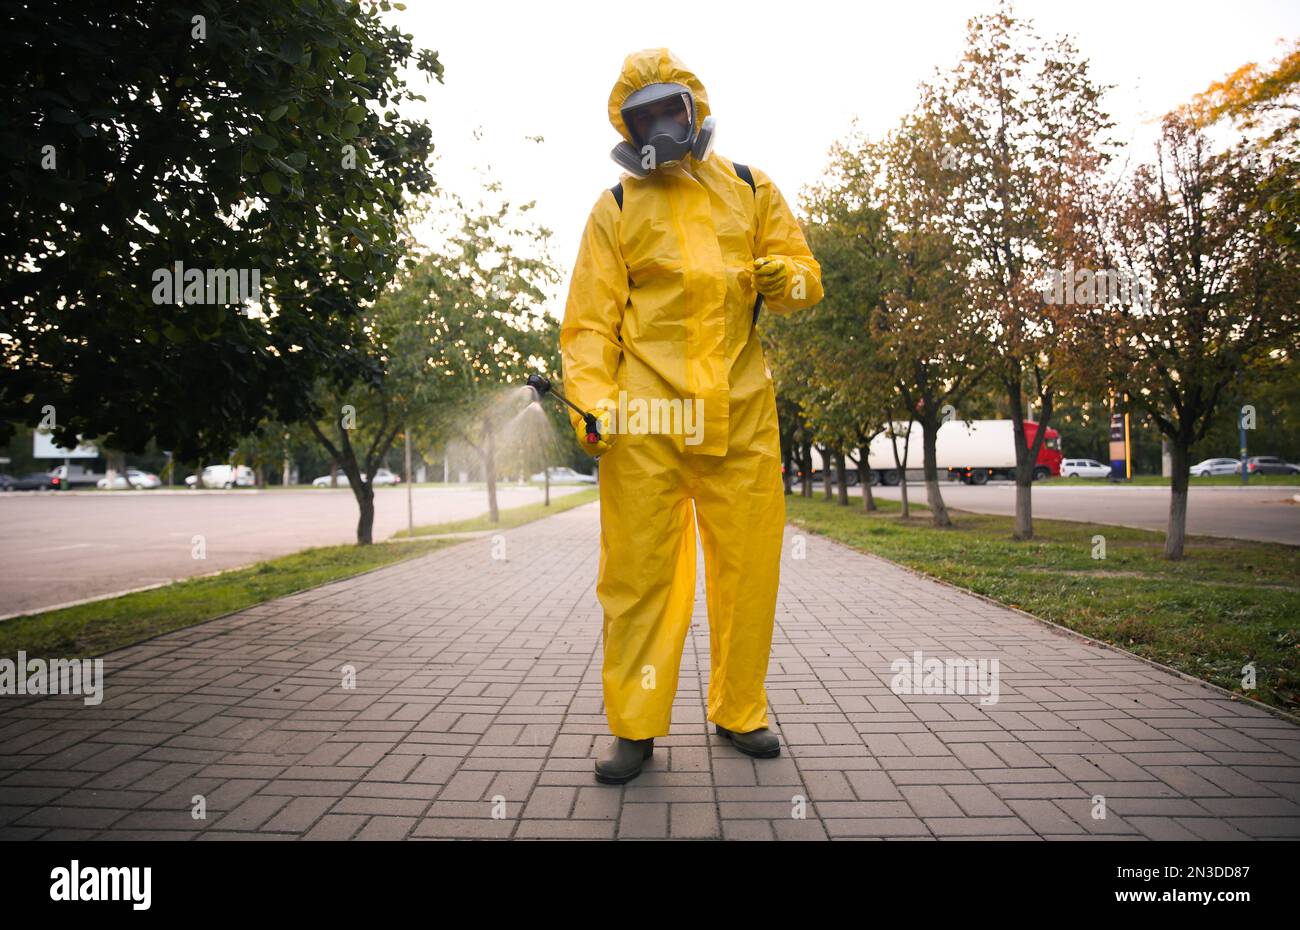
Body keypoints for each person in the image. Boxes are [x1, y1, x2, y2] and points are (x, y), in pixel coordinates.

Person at [559, 48, 824, 784]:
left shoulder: (749, 186)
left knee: (749, 573)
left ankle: (741, 712)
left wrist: (785, 275)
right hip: (645, 427)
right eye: (640, 115)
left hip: (741, 420)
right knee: (640, 580)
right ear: (628, 124)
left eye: (667, 109)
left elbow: (808, 280)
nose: (658, 125)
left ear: (692, 108)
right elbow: (587, 327)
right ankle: (636, 729)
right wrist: (594, 406)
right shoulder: (615, 208)